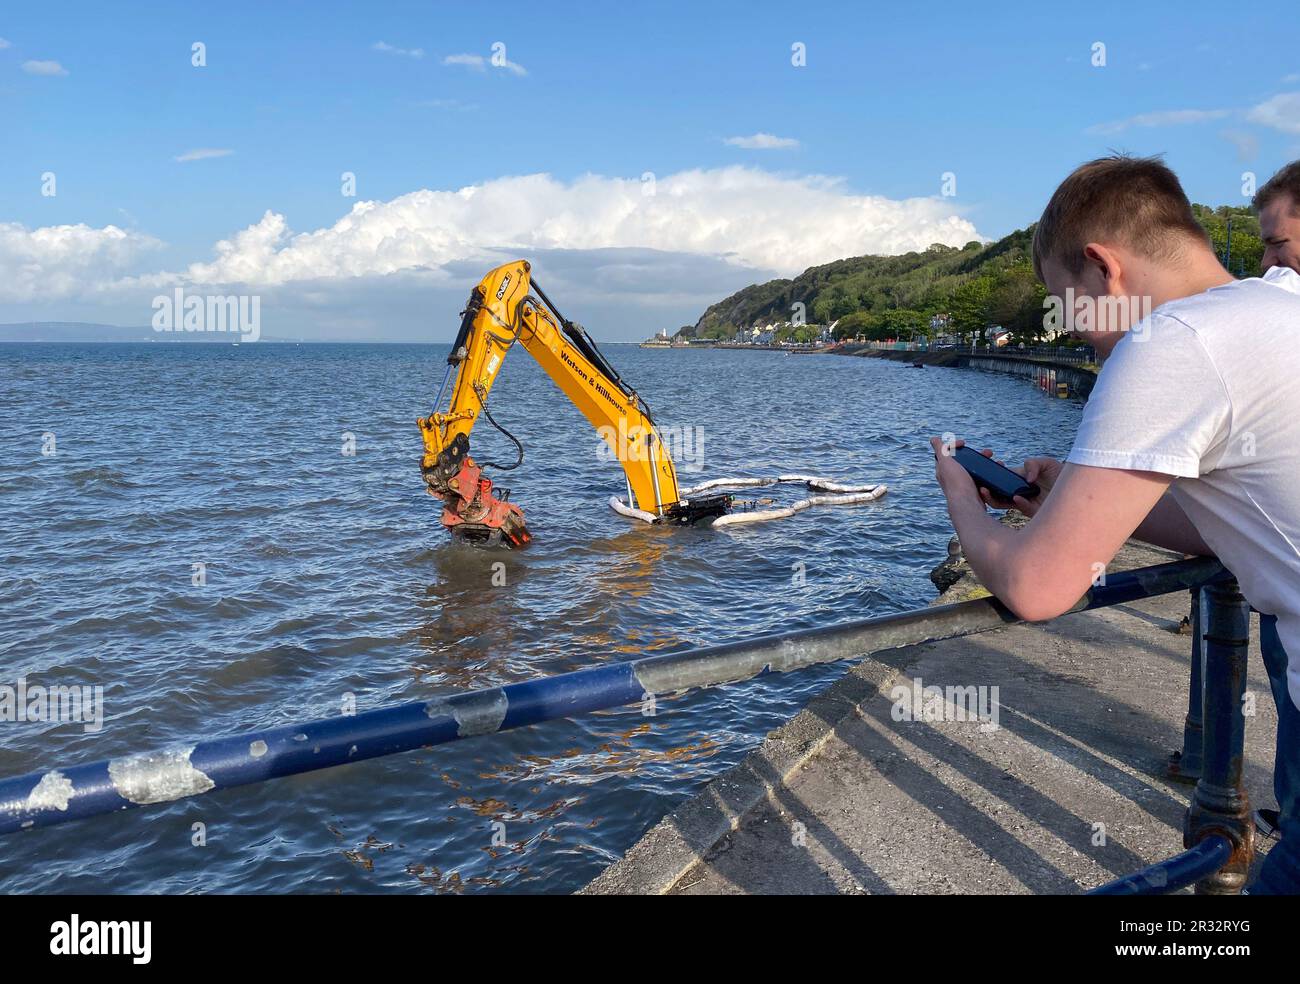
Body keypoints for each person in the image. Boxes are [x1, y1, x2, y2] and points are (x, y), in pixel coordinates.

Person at [931, 155, 1300, 893]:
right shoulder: (1275, 313)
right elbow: (1226, 529)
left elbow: (1036, 590)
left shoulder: (1172, 341)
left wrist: (962, 499)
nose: (1070, 330)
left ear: (1103, 269)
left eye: (1062, 302)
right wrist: (1072, 497)